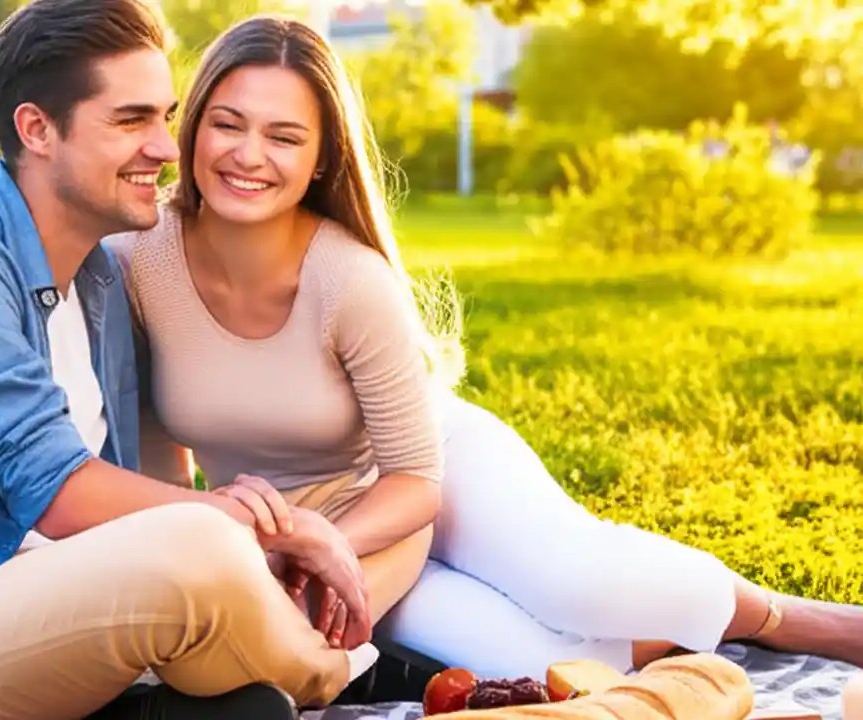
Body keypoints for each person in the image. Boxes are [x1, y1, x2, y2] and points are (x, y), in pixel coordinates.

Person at [107, 15, 863, 683]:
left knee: (578, 588)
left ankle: (776, 616)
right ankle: (672, 638)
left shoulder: (349, 279)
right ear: (192, 124)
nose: (248, 155)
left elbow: (416, 481)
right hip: (309, 531)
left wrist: (319, 543)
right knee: (548, 668)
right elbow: (159, 456)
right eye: (228, 124)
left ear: (321, 158)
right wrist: (236, 541)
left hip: (425, 468)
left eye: (283, 136)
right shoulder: (138, 261)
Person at [0, 2, 383, 719]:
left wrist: (251, 542)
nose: (168, 149)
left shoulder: (101, 278)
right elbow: (61, 492)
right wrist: (283, 528)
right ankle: (334, 676)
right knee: (204, 543)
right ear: (37, 129)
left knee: (223, 568)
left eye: (166, 117)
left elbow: (139, 485)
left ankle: (213, 700)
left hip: (52, 607)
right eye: (130, 120)